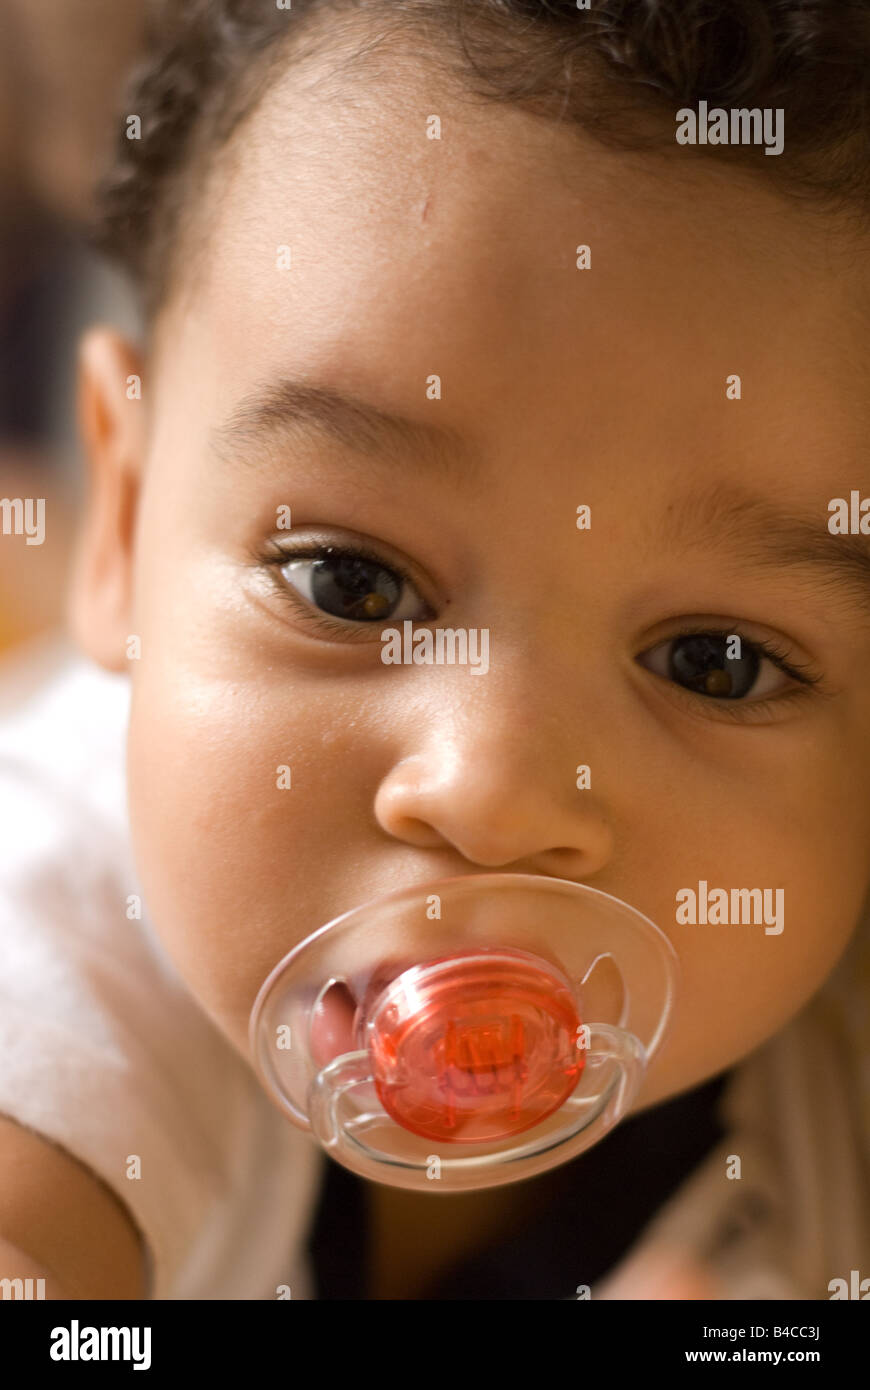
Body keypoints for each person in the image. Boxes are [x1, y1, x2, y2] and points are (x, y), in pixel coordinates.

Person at [0, 0, 868, 1300]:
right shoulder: (68, 930)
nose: (492, 793)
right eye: (348, 582)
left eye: (715, 661)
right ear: (122, 525)